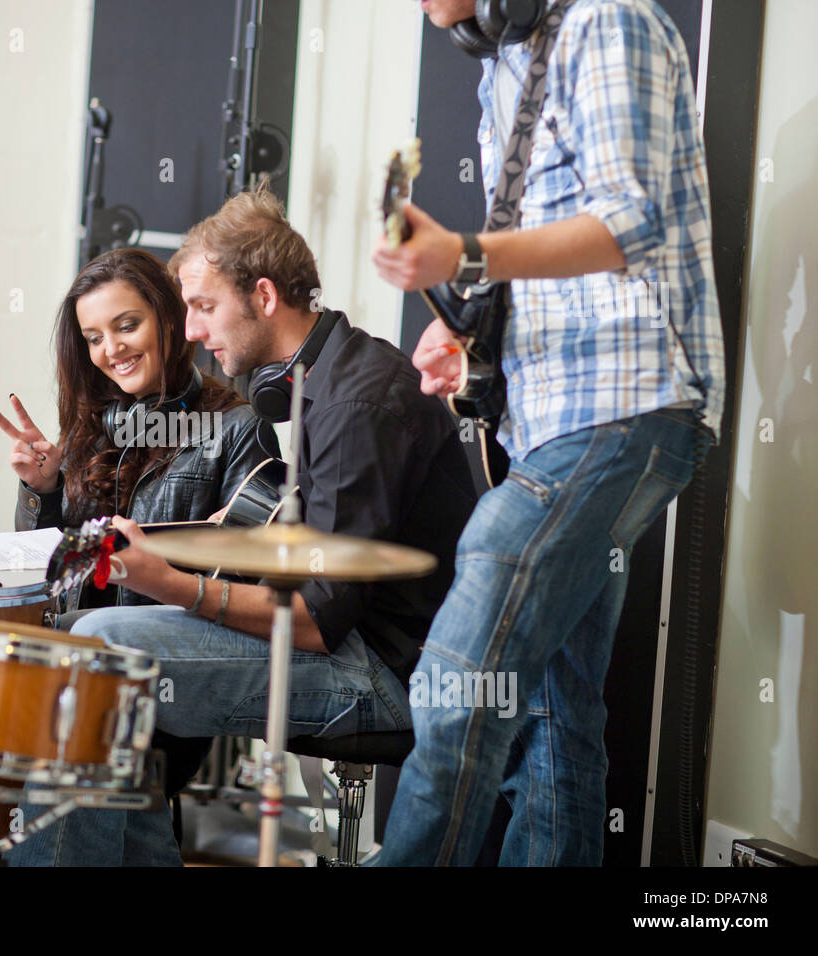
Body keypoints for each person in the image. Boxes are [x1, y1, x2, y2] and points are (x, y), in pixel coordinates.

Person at [7, 188, 478, 866]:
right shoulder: (328, 380)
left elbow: (317, 622)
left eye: (201, 307)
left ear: (262, 296)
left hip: (380, 677)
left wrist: (169, 581)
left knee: (99, 649)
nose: (192, 331)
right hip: (350, 650)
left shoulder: (356, 400)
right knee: (89, 649)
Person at [369, 0, 726, 865]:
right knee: (558, 714)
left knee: (457, 679)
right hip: (555, 416)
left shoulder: (609, 21)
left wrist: (465, 256)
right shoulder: (503, 62)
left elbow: (627, 221)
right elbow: (547, 251)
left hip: (625, 404)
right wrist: (467, 331)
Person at [0, 247, 277, 609]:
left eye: (127, 326)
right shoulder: (91, 424)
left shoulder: (237, 430)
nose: (111, 349)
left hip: (159, 650)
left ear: (168, 320)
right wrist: (42, 491)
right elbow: (48, 574)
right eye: (94, 338)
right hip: (75, 638)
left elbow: (244, 589)